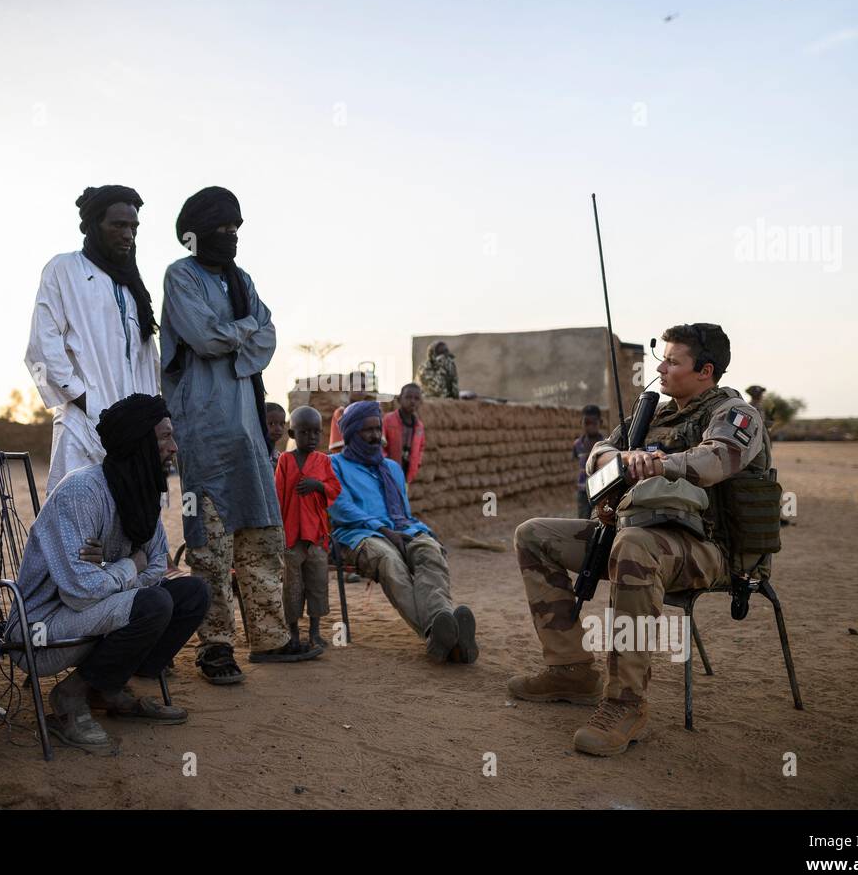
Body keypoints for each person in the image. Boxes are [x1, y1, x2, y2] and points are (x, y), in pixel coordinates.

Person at [509, 323, 771, 756]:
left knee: (634, 549)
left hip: (710, 548)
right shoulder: (654, 413)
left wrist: (655, 461)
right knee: (534, 535)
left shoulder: (735, 414)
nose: (661, 367)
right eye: (661, 357)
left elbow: (715, 460)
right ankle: (571, 669)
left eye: (673, 360)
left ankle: (625, 704)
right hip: (638, 531)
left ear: (705, 370)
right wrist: (623, 457)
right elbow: (598, 456)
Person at [160, 186, 321, 684]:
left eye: (235, 230)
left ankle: (271, 638)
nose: (229, 238)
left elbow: (267, 336)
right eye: (220, 231)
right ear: (195, 234)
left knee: (262, 539)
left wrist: (237, 337)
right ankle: (216, 648)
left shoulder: (241, 281)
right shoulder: (180, 276)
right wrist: (242, 333)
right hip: (204, 436)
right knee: (210, 548)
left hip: (250, 436)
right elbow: (204, 338)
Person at [7, 395, 209, 755]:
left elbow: (157, 565)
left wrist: (109, 569)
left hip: (94, 616)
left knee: (193, 593)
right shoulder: (82, 492)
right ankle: (70, 697)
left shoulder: (142, 493)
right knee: (153, 603)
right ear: (139, 442)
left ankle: (107, 688)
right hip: (42, 631)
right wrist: (129, 564)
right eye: (164, 438)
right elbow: (80, 593)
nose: (173, 448)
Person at [26, 185, 160, 493]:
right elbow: (42, 348)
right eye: (118, 225)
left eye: (134, 227)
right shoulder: (64, 269)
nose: (128, 234)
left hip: (136, 432)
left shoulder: (132, 286)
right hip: (84, 427)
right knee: (78, 527)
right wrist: (93, 406)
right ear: (93, 225)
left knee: (134, 528)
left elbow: (148, 360)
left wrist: (150, 417)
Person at [329, 401, 478, 663]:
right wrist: (384, 531)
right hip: (360, 535)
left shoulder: (392, 468)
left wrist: (423, 533)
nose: (376, 436)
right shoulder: (335, 465)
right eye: (367, 431)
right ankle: (439, 633)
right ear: (351, 434)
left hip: (402, 529)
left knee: (430, 553)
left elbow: (404, 514)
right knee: (390, 561)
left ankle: (443, 633)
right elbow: (341, 510)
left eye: (378, 429)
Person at [275, 406, 341, 651]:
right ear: (292, 434)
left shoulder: (323, 461)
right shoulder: (285, 460)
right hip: (292, 537)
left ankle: (315, 631)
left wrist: (318, 485)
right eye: (305, 432)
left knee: (317, 583)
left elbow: (335, 489)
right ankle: (293, 633)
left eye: (316, 432)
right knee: (292, 587)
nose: (312, 437)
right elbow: (278, 495)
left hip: (316, 536)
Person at [382, 383, 426, 483]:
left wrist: (416, 464)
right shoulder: (388, 420)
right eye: (408, 397)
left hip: (406, 474)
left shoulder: (419, 426)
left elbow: (421, 447)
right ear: (399, 399)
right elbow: (380, 444)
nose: (412, 401)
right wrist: (385, 464)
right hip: (389, 473)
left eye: (416, 398)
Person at [328, 370, 378, 452]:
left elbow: (378, 442)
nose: (361, 389)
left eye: (363, 386)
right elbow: (337, 446)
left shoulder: (372, 413)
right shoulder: (341, 413)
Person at [572, 404, 604, 519]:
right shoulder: (577, 444)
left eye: (593, 423)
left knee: (601, 518)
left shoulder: (605, 444)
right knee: (583, 519)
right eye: (587, 423)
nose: (590, 427)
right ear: (581, 422)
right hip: (583, 490)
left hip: (601, 489)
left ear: (601, 423)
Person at [265, 402, 287, 469]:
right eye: (272, 424)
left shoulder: (279, 457)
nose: (278, 429)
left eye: (282, 424)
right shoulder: (254, 454)